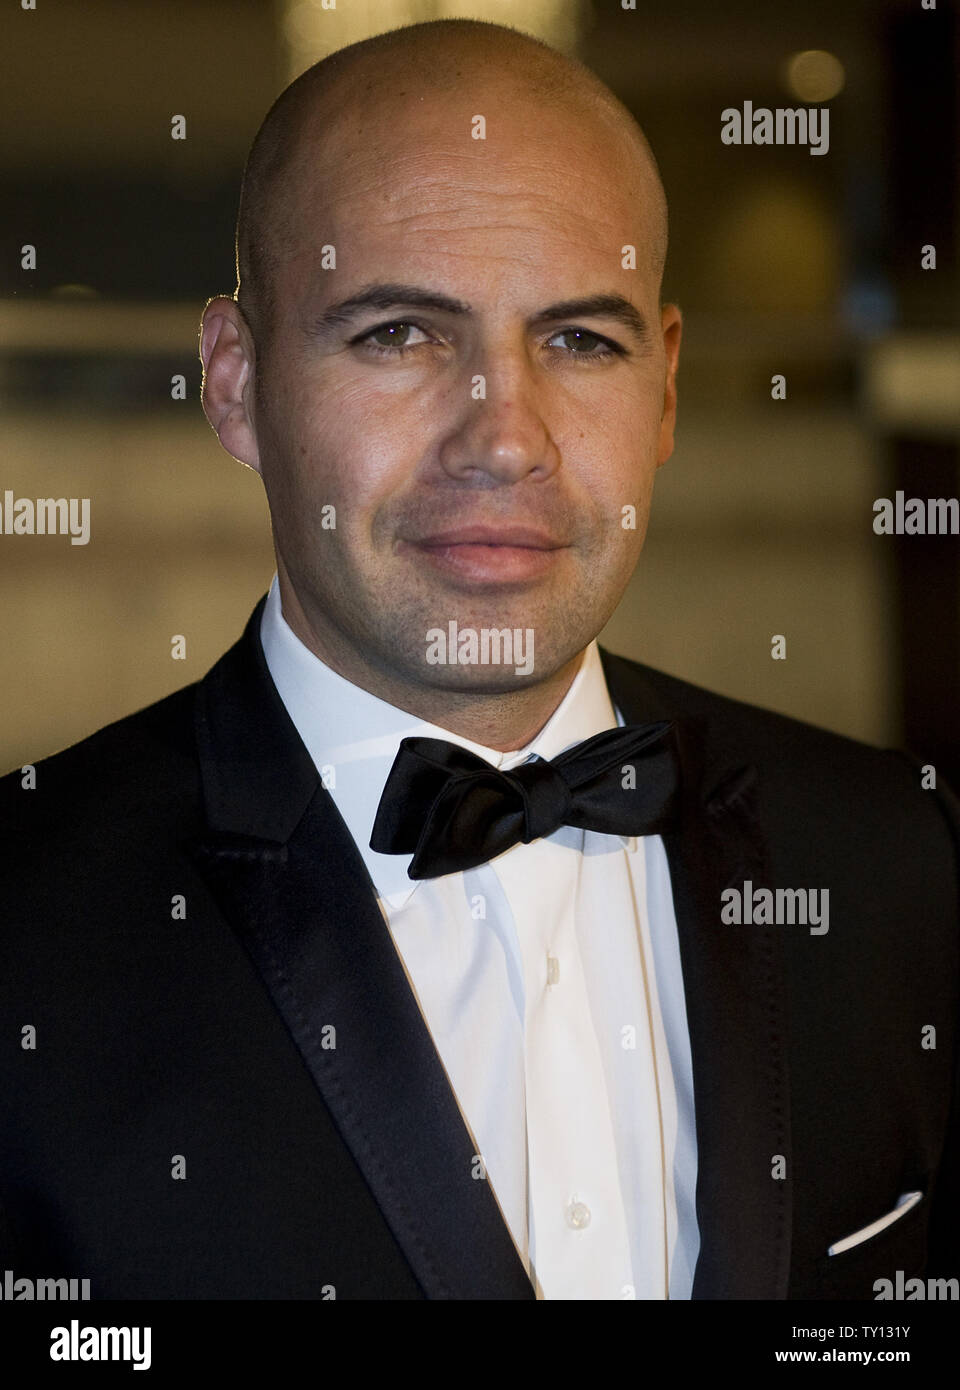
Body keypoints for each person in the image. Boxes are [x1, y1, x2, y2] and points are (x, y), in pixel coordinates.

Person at [0, 17, 957, 1302]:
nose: (505, 440)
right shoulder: (31, 923)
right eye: (399, 333)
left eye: (580, 341)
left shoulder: (899, 859)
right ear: (233, 382)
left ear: (665, 388)